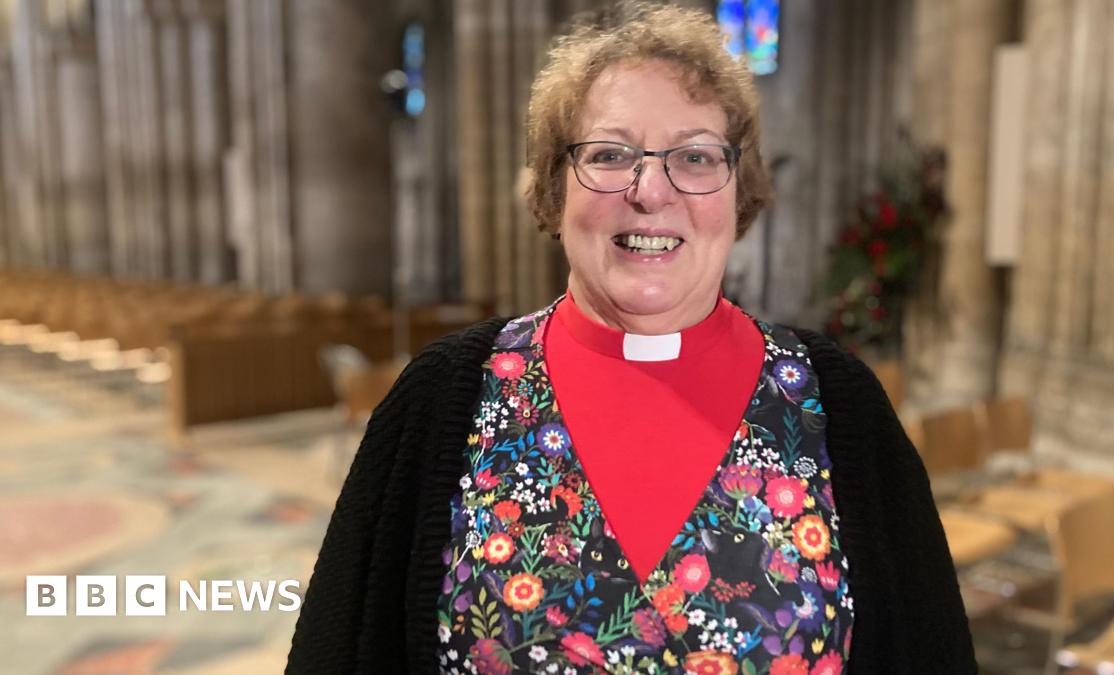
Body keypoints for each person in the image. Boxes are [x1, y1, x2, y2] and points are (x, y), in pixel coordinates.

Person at [287, 3, 974, 673]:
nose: (651, 191)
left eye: (697, 157)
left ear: (741, 193)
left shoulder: (840, 403)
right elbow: (341, 647)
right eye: (611, 154)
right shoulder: (440, 398)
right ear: (555, 188)